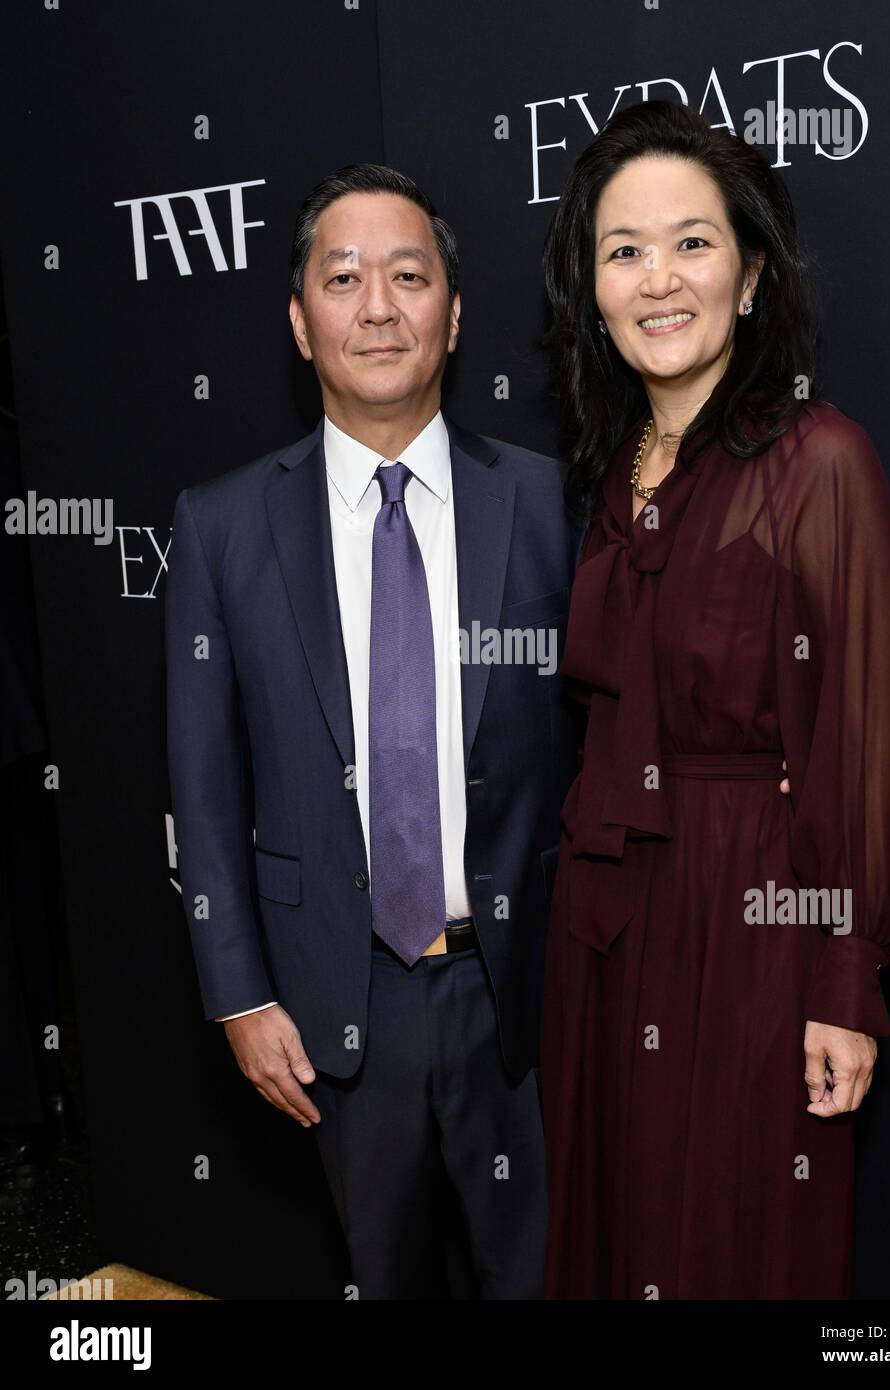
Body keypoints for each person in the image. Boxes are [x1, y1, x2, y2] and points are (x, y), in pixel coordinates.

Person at [538, 100, 890, 1299]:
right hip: (607, 932)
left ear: (751, 273)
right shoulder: (612, 473)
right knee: (612, 1244)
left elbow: (863, 742)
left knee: (733, 1248)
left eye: (691, 242)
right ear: (590, 291)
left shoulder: (818, 462)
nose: (656, 279)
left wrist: (842, 977)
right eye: (622, 251)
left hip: (758, 925)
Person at [164, 164, 580, 1298]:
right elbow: (202, 789)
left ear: (454, 312)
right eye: (343, 279)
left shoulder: (550, 504)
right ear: (301, 324)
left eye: (409, 275)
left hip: (526, 1000)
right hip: (333, 1005)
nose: (378, 306)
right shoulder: (220, 526)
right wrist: (239, 993)